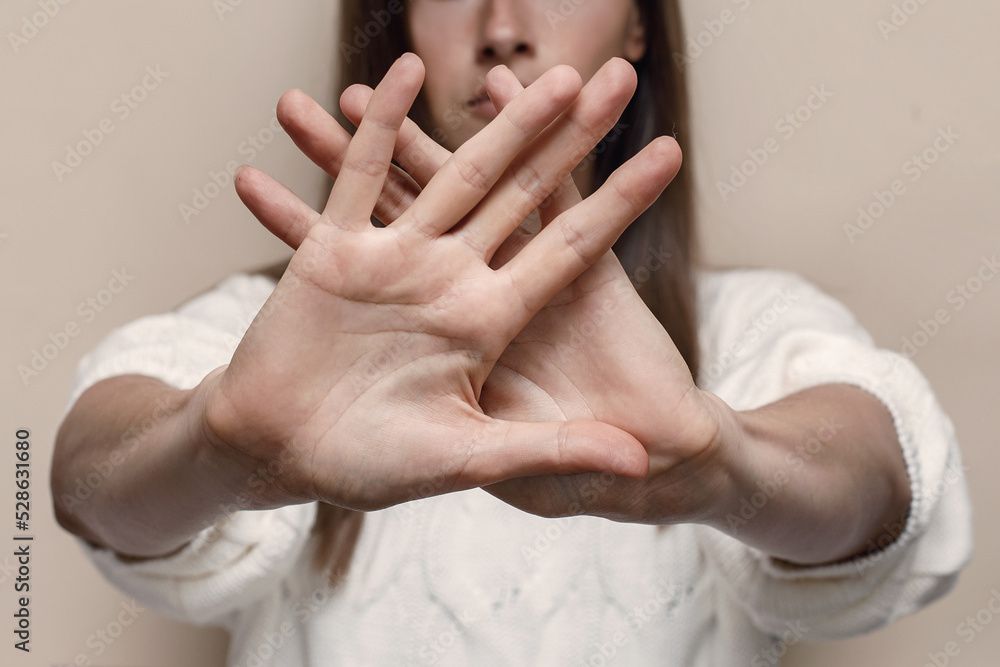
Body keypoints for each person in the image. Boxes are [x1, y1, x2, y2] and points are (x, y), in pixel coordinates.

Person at [51, 1, 971, 665]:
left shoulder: (749, 326)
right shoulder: (281, 344)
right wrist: (216, 444)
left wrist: (725, 465)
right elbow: (84, 477)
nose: (501, 25)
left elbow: (881, 478)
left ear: (640, 24)